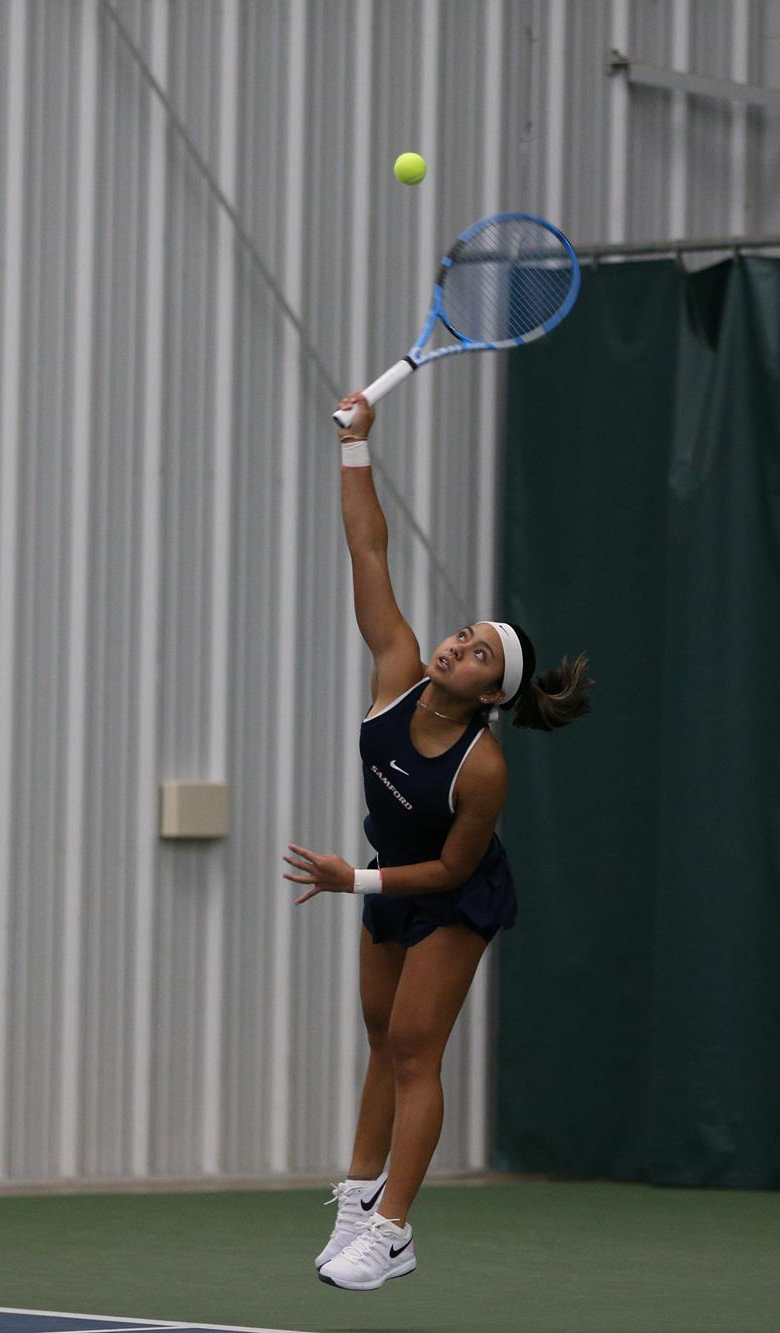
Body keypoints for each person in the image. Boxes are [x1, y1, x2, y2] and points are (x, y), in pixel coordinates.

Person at [283, 390, 594, 1292]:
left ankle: (394, 1228)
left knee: (418, 1047)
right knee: (381, 1036)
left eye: (482, 654)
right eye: (465, 635)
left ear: (494, 693)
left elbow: (456, 866)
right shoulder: (394, 667)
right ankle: (359, 1189)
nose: (460, 646)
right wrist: (354, 445)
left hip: (454, 895)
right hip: (382, 879)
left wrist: (358, 885)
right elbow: (367, 546)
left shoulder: (483, 765)